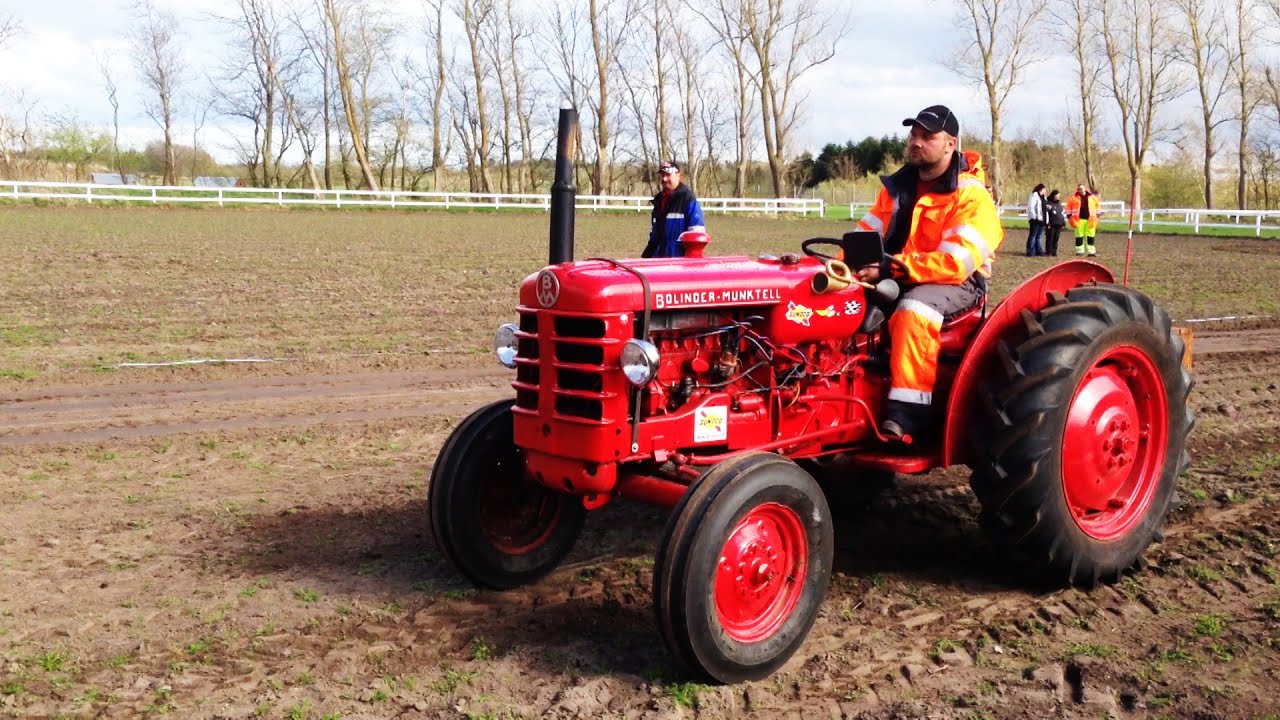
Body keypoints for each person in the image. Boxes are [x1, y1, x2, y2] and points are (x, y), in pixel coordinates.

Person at [851, 104, 1004, 443]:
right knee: (841, 302)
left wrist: (894, 268)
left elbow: (956, 263)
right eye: (913, 134)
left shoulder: (970, 195)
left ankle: (908, 416)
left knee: (913, 311)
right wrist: (836, 268)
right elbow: (864, 235)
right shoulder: (897, 188)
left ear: (951, 143)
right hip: (899, 273)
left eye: (927, 136)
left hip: (957, 283)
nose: (916, 142)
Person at [641, 160, 705, 258]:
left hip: (679, 263)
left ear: (678, 175)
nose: (664, 179)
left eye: (668, 174)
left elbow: (696, 237)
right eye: (662, 175)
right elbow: (654, 237)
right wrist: (646, 257)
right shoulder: (659, 201)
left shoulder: (688, 200)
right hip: (658, 260)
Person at [1066, 182, 1101, 257]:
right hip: (1078, 220)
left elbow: (1098, 208)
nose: (1080, 190)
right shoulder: (1073, 198)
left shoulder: (1092, 198)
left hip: (1090, 220)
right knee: (1079, 236)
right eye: (1078, 189)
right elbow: (1068, 210)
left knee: (1090, 236)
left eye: (1081, 188)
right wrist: (1071, 219)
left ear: (1085, 188)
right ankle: (1080, 251)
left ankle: (1091, 251)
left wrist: (1097, 218)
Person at [1025, 183, 1046, 256]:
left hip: (1041, 219)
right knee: (1033, 235)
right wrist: (1034, 217)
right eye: (1044, 189)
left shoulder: (1043, 197)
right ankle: (1030, 251)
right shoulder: (1034, 196)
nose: (1045, 191)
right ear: (1041, 189)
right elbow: (1031, 207)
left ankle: (1038, 250)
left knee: (1038, 236)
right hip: (1035, 219)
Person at [1044, 189, 1066, 257]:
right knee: (1050, 238)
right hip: (1051, 224)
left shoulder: (1059, 204)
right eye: (1057, 195)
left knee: (1056, 238)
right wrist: (1047, 223)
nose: (1058, 197)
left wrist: (1063, 222)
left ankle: (1054, 251)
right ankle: (1049, 251)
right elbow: (1046, 214)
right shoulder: (1048, 204)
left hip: (1059, 224)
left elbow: (1062, 214)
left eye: (1059, 195)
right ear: (1054, 195)